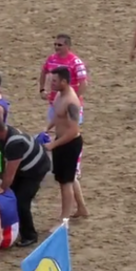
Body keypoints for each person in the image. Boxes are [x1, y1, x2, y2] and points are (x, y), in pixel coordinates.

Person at [0, 116, 49, 247]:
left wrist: (0, 192)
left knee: (21, 201)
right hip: (23, 167)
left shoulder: (14, 144)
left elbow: (9, 175)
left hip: (35, 170)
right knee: (11, 196)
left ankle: (29, 235)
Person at [44, 67, 89, 223]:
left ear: (64, 81)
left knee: (66, 183)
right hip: (61, 141)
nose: (52, 84)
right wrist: (47, 128)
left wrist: (53, 144)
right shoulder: (59, 95)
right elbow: (58, 115)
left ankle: (64, 219)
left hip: (69, 144)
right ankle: (81, 208)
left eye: (54, 81)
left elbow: (73, 130)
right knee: (68, 178)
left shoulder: (71, 101)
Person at [39, 34, 87, 131]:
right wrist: (42, 90)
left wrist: (73, 99)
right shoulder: (51, 59)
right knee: (56, 130)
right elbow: (44, 72)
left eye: (59, 45)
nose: (56, 47)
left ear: (67, 46)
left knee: (71, 131)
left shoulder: (76, 62)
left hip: (70, 106)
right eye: (55, 44)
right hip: (54, 103)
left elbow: (83, 83)